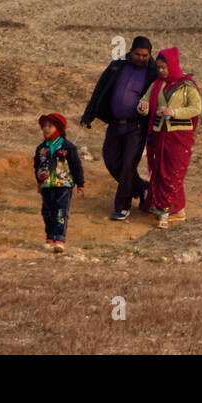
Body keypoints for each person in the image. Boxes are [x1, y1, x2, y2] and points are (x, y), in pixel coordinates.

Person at [81, 36, 158, 221]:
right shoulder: (117, 65)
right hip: (115, 124)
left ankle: (122, 207)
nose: (141, 58)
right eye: (138, 54)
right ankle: (141, 189)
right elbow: (100, 89)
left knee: (128, 165)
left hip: (137, 127)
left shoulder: (153, 72)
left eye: (145, 55)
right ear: (131, 52)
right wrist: (88, 114)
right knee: (111, 161)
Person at [137, 47, 202, 228]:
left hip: (180, 136)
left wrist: (173, 112)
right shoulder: (157, 84)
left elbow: (195, 108)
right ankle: (179, 210)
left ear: (173, 65)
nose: (161, 71)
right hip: (160, 134)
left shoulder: (187, 86)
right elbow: (146, 101)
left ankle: (164, 212)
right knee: (162, 171)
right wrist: (142, 108)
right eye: (159, 68)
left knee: (173, 173)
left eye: (164, 67)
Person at [34, 112, 85, 253]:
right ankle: (50, 237)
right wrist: (39, 182)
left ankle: (59, 239)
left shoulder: (68, 147)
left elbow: (76, 166)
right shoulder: (41, 148)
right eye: (44, 126)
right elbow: (37, 165)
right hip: (46, 186)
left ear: (59, 129)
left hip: (63, 186)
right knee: (47, 212)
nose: (46, 129)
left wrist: (80, 183)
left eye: (50, 126)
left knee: (60, 212)